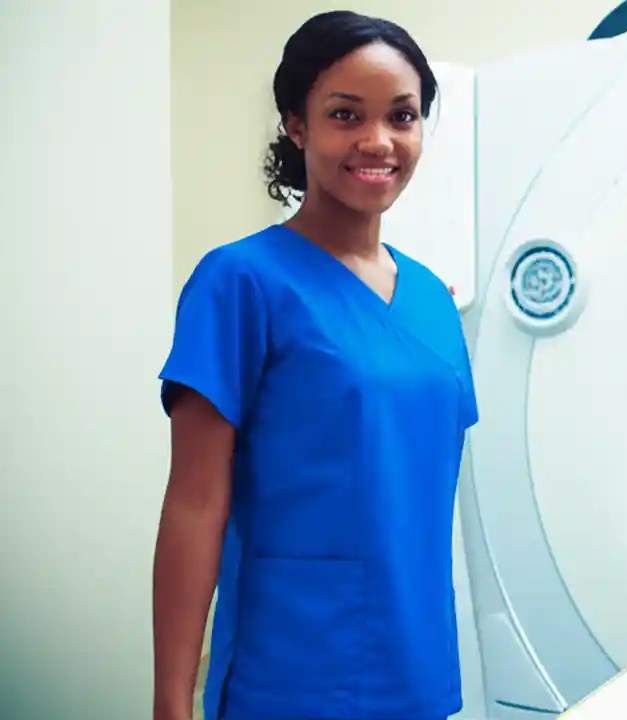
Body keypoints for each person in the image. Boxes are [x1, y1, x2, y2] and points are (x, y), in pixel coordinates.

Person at [151, 11, 478, 720]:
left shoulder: (431, 299)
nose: (378, 141)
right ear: (296, 124)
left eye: (402, 116)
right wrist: (172, 702)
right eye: (344, 114)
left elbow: (416, 490)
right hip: (293, 674)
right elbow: (195, 504)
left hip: (418, 669)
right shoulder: (241, 282)